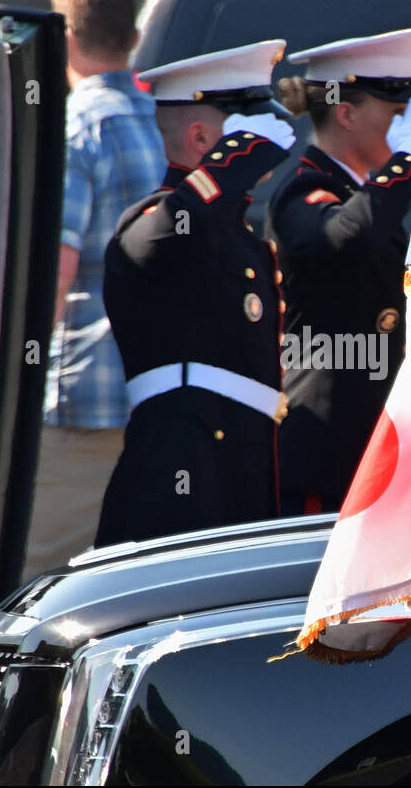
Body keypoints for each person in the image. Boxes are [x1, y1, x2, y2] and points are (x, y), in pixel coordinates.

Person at [93, 40, 296, 547]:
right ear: (204, 138)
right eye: (246, 130)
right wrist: (239, 159)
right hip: (184, 470)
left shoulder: (239, 235)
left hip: (242, 464)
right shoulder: (153, 221)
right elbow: (169, 230)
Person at [266, 25, 411, 515]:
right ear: (345, 113)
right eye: (398, 112)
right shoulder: (305, 191)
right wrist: (408, 165)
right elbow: (347, 238)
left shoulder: (362, 197)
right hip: (326, 454)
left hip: (370, 445)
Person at [23, 0, 164, 581]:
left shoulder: (78, 123)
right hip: (151, 392)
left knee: (33, 579)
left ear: (63, 37)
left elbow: (56, 273)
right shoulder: (168, 123)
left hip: (81, 397)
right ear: (132, 38)